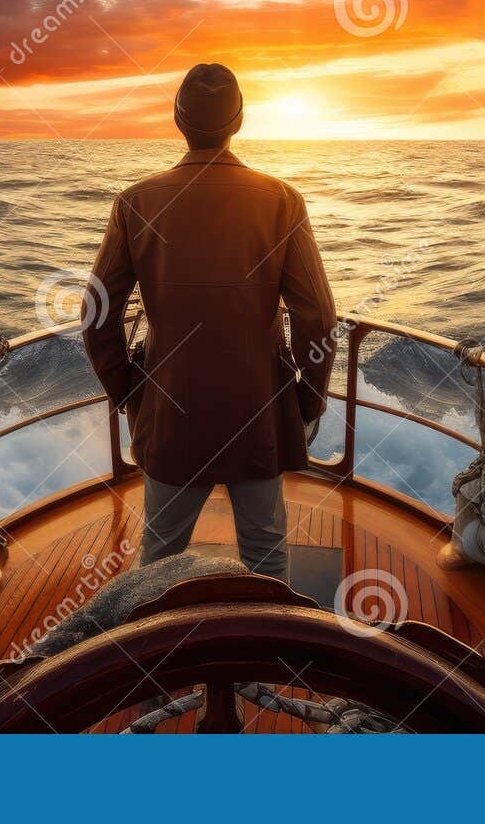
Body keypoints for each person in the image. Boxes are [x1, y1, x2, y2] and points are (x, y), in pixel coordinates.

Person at [81, 63, 338, 582]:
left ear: (179, 121)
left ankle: (156, 647)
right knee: (266, 553)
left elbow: (96, 316)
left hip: (171, 410)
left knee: (159, 556)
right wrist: (306, 401)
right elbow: (317, 317)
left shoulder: (136, 202)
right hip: (259, 410)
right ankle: (271, 646)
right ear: (237, 122)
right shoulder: (282, 201)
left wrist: (130, 392)